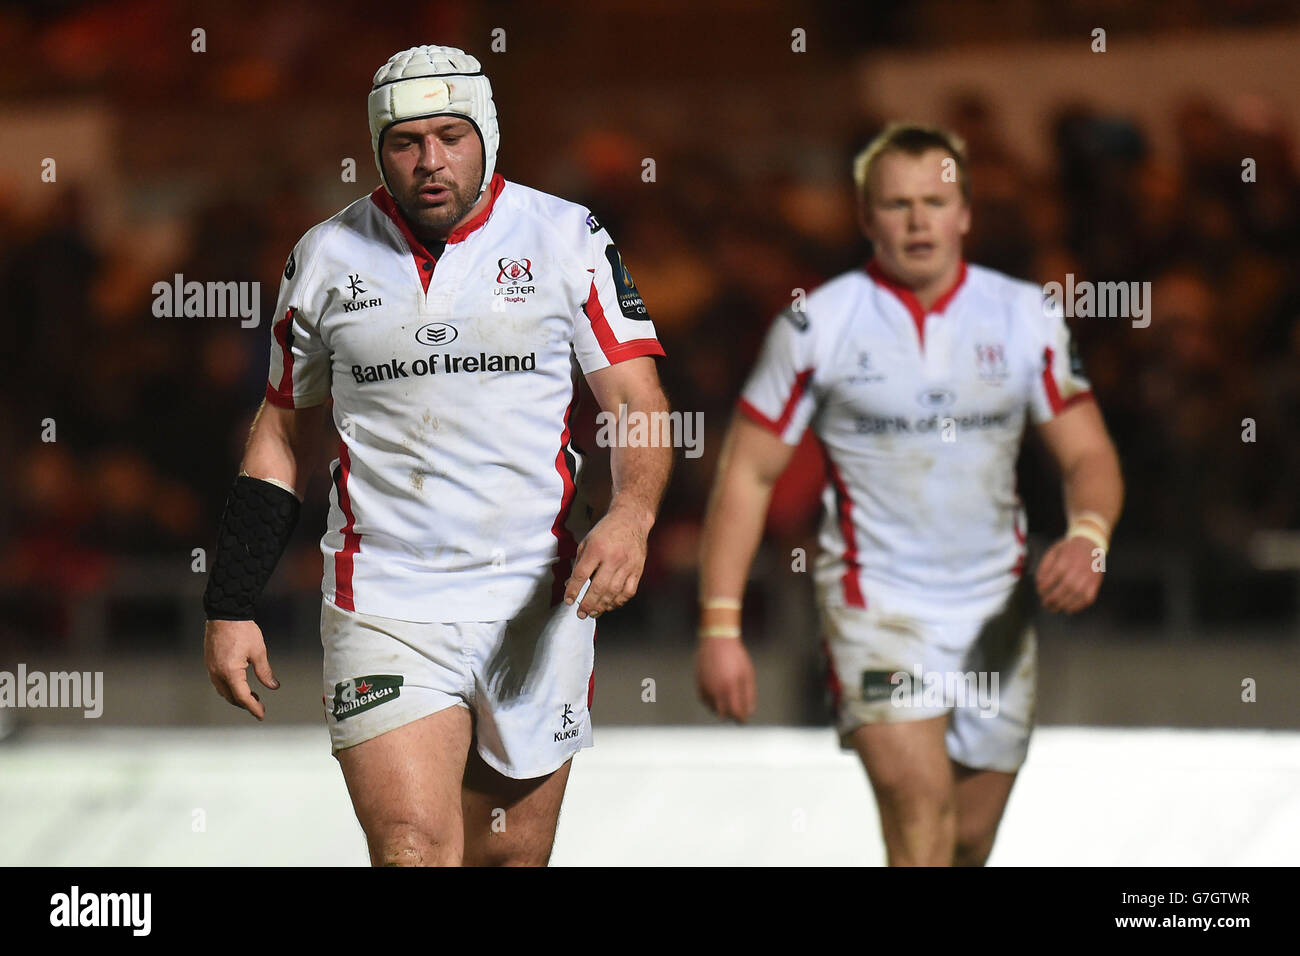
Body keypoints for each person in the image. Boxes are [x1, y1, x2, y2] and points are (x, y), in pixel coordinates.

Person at [202, 45, 671, 866]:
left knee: (510, 856)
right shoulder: (323, 258)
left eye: (450, 136)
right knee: (413, 847)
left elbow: (636, 402)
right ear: (377, 149)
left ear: (486, 133)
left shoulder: (566, 236)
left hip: (537, 598)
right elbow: (283, 434)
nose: (429, 162)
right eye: (405, 142)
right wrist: (231, 599)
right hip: (384, 598)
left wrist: (631, 515)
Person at [695, 122, 1123, 866]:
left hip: (995, 614)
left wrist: (1089, 534)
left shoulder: (1026, 317)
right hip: (876, 608)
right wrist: (720, 624)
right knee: (920, 814)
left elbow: (1088, 451)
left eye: (935, 200)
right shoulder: (815, 325)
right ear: (866, 219)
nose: (918, 220)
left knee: (964, 840)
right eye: (897, 204)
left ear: (965, 214)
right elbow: (748, 471)